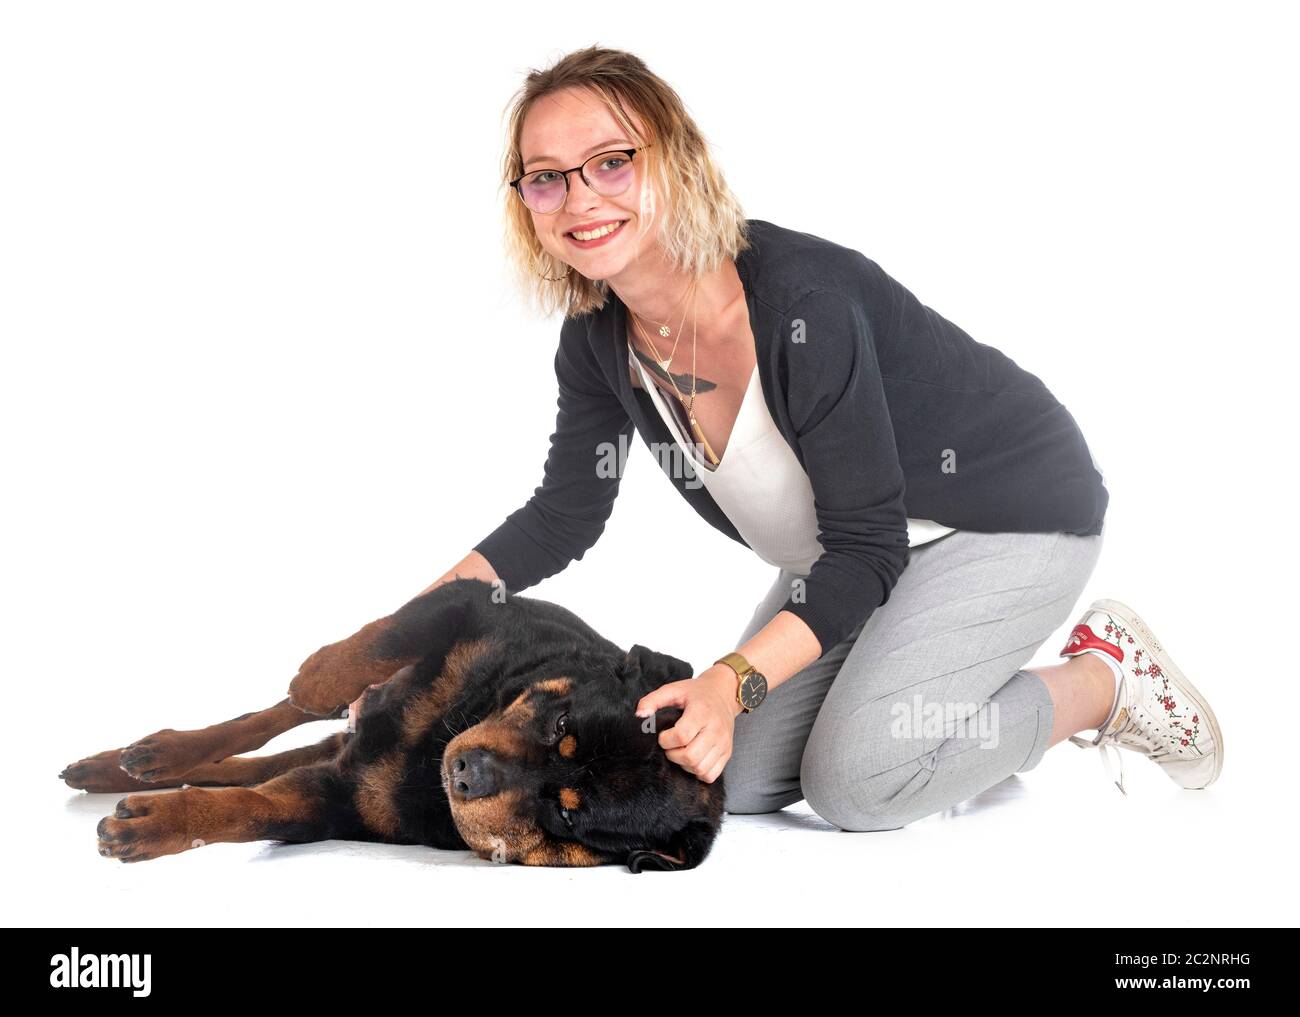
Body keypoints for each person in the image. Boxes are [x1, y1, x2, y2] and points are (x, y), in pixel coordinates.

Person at [351, 45, 1223, 830]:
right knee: (731, 775)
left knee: (855, 782)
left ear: (676, 158)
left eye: (611, 162)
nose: (580, 199)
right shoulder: (597, 342)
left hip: (1008, 517)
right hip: (859, 550)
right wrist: (392, 645)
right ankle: (950, 720)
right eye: (546, 177)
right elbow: (561, 516)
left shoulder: (803, 307)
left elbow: (866, 550)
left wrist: (731, 683)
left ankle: (1103, 680)